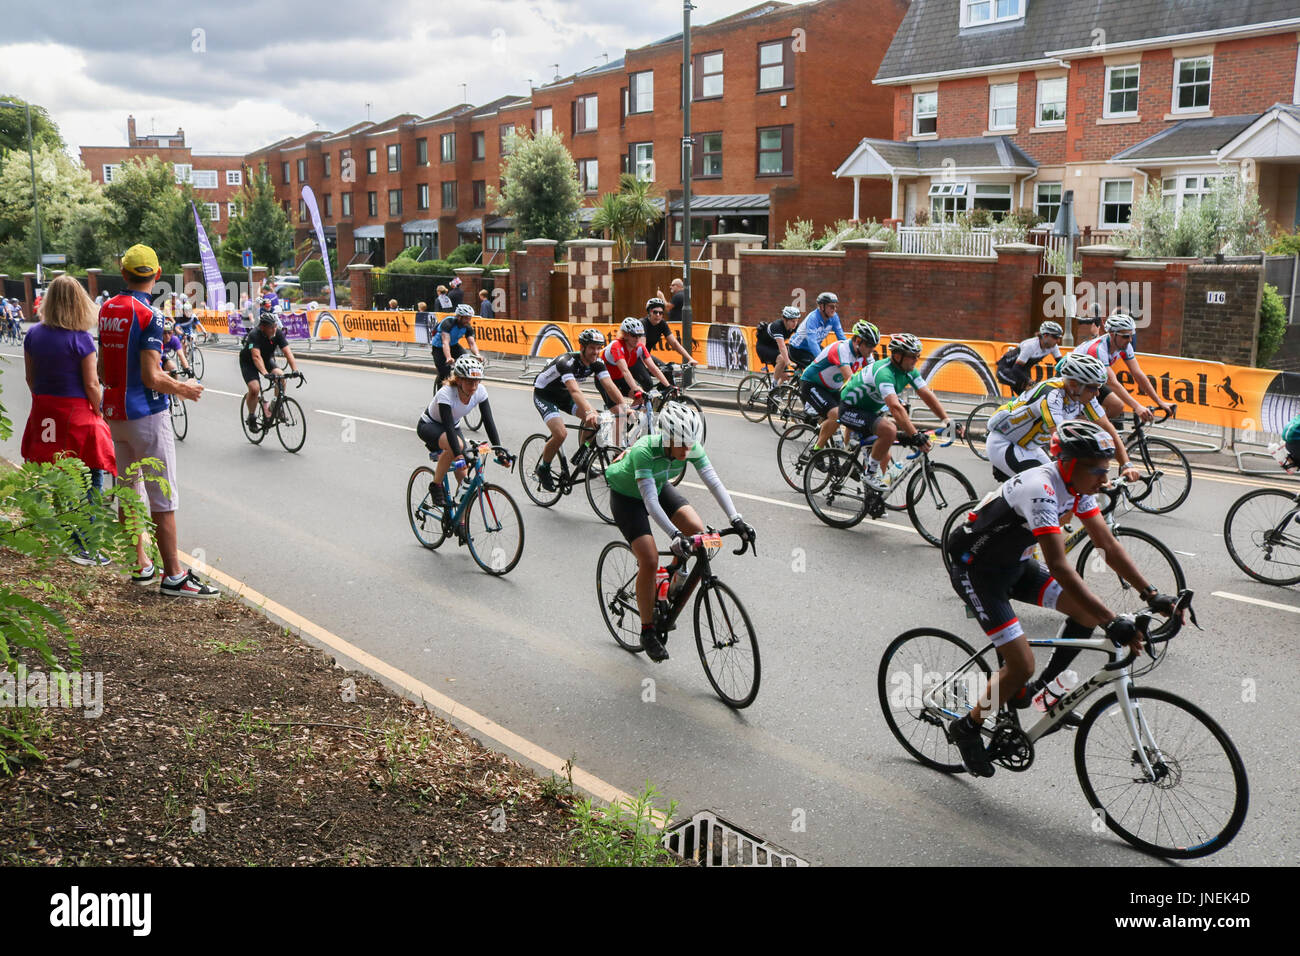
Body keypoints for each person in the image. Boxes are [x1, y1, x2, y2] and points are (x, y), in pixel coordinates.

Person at [944, 420, 1176, 777]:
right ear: (1069, 465)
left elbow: (1108, 545)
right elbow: (1060, 566)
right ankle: (968, 725)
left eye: (1107, 470)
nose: (1104, 479)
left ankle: (1044, 694)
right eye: (1097, 470)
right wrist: (1112, 621)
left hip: (1016, 564)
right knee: (1020, 665)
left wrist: (1152, 594)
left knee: (1085, 614)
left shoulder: (1078, 488)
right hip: (976, 570)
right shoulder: (1041, 489)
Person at [98, 244, 214, 598]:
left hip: (115, 411)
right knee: (162, 493)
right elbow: (151, 377)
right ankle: (174, 575)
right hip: (146, 414)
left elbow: (102, 369)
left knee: (128, 491)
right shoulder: (150, 315)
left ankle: (140, 565)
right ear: (157, 274)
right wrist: (182, 387)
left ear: (123, 273)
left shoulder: (106, 309)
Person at [602, 401, 754, 663]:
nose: (687, 449)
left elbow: (713, 481)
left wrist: (737, 519)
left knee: (697, 531)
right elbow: (649, 501)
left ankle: (673, 576)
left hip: (658, 486)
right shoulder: (645, 451)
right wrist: (674, 535)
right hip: (628, 497)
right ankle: (647, 631)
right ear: (668, 437)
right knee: (649, 559)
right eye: (682, 443)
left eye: (690, 444)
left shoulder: (690, 446)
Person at [20, 275, 117, 565]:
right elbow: (91, 385)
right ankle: (85, 544)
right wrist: (101, 414)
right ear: (79, 303)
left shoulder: (33, 334)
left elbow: (30, 377)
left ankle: (63, 534)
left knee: (59, 475)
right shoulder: (82, 339)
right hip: (78, 415)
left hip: (46, 411)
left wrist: (45, 400)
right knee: (92, 476)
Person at [985, 353, 1139, 484]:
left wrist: (1126, 464)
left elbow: (1107, 427)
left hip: (1030, 447)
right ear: (1073, 384)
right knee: (1044, 488)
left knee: (1061, 489)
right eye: (1093, 387)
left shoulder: (1084, 394)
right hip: (1005, 443)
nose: (1098, 394)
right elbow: (1060, 439)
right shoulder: (1051, 395)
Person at [834, 332, 959, 492]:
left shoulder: (909, 371)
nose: (916, 360)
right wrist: (915, 435)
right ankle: (869, 475)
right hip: (850, 409)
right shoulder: (884, 372)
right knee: (889, 431)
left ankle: (873, 495)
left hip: (870, 410)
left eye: (918, 356)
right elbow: (895, 407)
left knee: (884, 453)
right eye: (912, 356)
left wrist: (946, 419)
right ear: (898, 355)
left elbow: (926, 395)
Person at [530, 328, 628, 491]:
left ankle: (582, 460)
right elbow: (575, 391)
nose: (596, 352)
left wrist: (624, 407)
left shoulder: (597, 363)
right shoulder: (566, 362)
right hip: (545, 395)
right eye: (592, 347)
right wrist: (589, 411)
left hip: (564, 394)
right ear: (582, 347)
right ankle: (543, 469)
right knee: (560, 434)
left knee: (597, 420)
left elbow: (610, 386)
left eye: (599, 347)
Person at [416, 355, 511, 505]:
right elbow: (447, 426)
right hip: (430, 425)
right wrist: (459, 456)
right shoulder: (446, 393)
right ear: (459, 379)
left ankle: (459, 523)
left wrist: (499, 449)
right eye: (469, 381)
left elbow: (488, 421)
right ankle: (436, 486)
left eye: (476, 381)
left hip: (453, 427)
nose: (474, 386)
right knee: (458, 449)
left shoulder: (480, 391)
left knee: (464, 481)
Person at [1072, 312, 1175, 425]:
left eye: (1132, 335)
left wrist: (1160, 402)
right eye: (1126, 336)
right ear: (1112, 334)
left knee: (1117, 406)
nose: (1130, 340)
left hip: (1090, 379)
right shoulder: (1098, 349)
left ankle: (1088, 428)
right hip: (1073, 380)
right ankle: (1082, 428)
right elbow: (1112, 382)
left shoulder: (1125, 346)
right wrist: (1137, 407)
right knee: (1111, 408)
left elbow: (1138, 375)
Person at [798, 318, 877, 431]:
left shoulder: (866, 354)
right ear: (858, 341)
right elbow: (850, 379)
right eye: (869, 345)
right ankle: (817, 448)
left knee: (853, 413)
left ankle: (842, 445)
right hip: (812, 384)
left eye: (874, 346)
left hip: (833, 389)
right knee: (836, 415)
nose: (872, 349)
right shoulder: (842, 349)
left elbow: (875, 375)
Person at [240, 310, 301, 431]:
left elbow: (288, 352)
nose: (274, 329)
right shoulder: (254, 335)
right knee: (254, 389)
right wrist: (265, 374)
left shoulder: (277, 333)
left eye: (275, 326)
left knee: (281, 377)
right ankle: (251, 416)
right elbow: (256, 357)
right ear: (262, 327)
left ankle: (275, 406)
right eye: (271, 327)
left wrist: (295, 370)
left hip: (266, 359)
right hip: (249, 362)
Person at [638, 296, 698, 389]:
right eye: (655, 312)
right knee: (648, 384)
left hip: (647, 356)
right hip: (636, 358)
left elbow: (674, 343)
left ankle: (660, 401)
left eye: (661, 313)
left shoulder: (662, 324)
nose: (658, 315)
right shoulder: (642, 323)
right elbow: (642, 348)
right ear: (649, 312)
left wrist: (689, 358)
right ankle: (644, 402)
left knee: (668, 372)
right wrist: (649, 365)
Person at [996, 321, 1063, 395]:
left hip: (1021, 371)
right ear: (1045, 335)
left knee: (1033, 395)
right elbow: (1016, 368)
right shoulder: (1030, 346)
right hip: (1006, 370)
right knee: (1029, 392)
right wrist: (1029, 381)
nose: (1058, 341)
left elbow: (1062, 364)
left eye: (1059, 338)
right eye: (1055, 337)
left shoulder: (1053, 346)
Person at [786, 292, 845, 368]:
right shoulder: (813, 318)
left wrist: (849, 350)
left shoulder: (834, 317)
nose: (834, 309)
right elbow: (812, 342)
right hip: (798, 350)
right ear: (821, 307)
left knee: (832, 363)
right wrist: (822, 361)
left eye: (835, 307)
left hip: (812, 350)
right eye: (831, 307)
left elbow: (841, 337)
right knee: (820, 369)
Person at [431, 303, 483, 385]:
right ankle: (440, 393)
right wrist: (448, 357)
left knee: (467, 362)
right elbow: (445, 342)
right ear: (459, 317)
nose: (468, 321)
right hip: (439, 347)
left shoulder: (467, 327)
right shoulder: (448, 323)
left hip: (454, 346)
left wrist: (477, 354)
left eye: (469, 318)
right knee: (445, 373)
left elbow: (472, 343)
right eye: (466, 318)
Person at [755, 306, 802, 383]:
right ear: (785, 320)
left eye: (796, 321)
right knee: (783, 359)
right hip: (763, 347)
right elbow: (782, 346)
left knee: (786, 377)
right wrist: (788, 362)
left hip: (775, 349)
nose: (795, 323)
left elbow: (803, 337)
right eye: (793, 321)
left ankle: (776, 394)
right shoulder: (777, 326)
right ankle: (774, 385)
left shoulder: (795, 326)